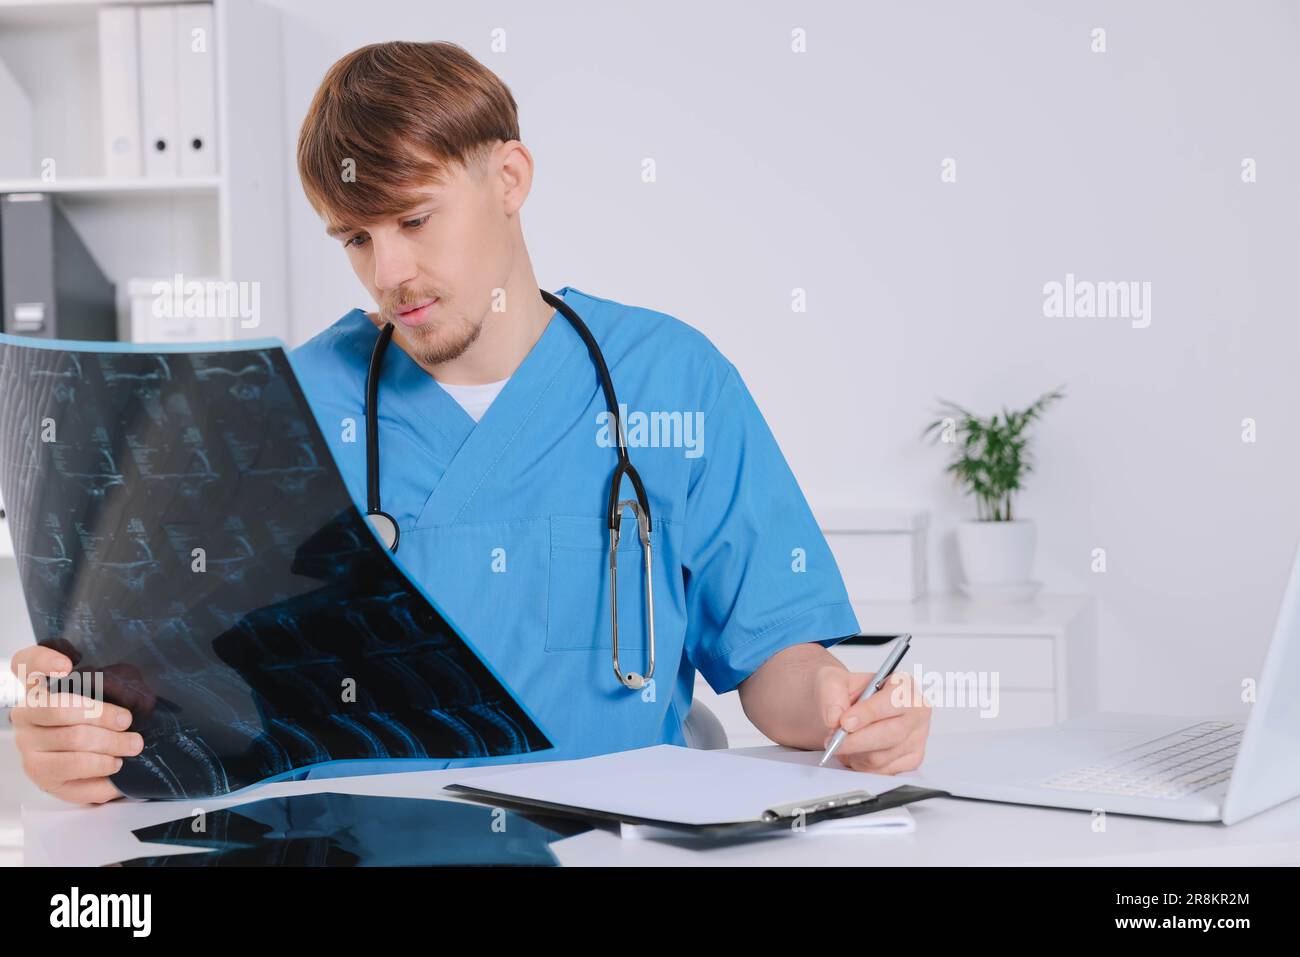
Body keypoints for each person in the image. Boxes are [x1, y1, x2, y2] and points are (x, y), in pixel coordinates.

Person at [8, 41, 930, 805]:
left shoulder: (671, 380)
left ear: (510, 177)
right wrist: (83, 738)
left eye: (414, 218)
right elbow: (187, 693)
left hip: (612, 845)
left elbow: (774, 655)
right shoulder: (280, 408)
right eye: (356, 238)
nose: (388, 273)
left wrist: (839, 703)